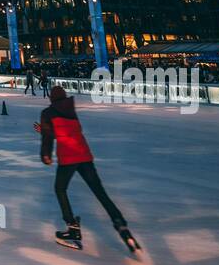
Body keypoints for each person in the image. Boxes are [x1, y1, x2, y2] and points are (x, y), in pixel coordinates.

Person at [35, 85, 140, 254]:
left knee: (60, 189)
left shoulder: (47, 113)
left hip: (68, 157)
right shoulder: (70, 109)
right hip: (84, 154)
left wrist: (45, 154)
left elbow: (49, 136)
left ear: (51, 99)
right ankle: (120, 224)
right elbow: (68, 130)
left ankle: (72, 227)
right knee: (100, 192)